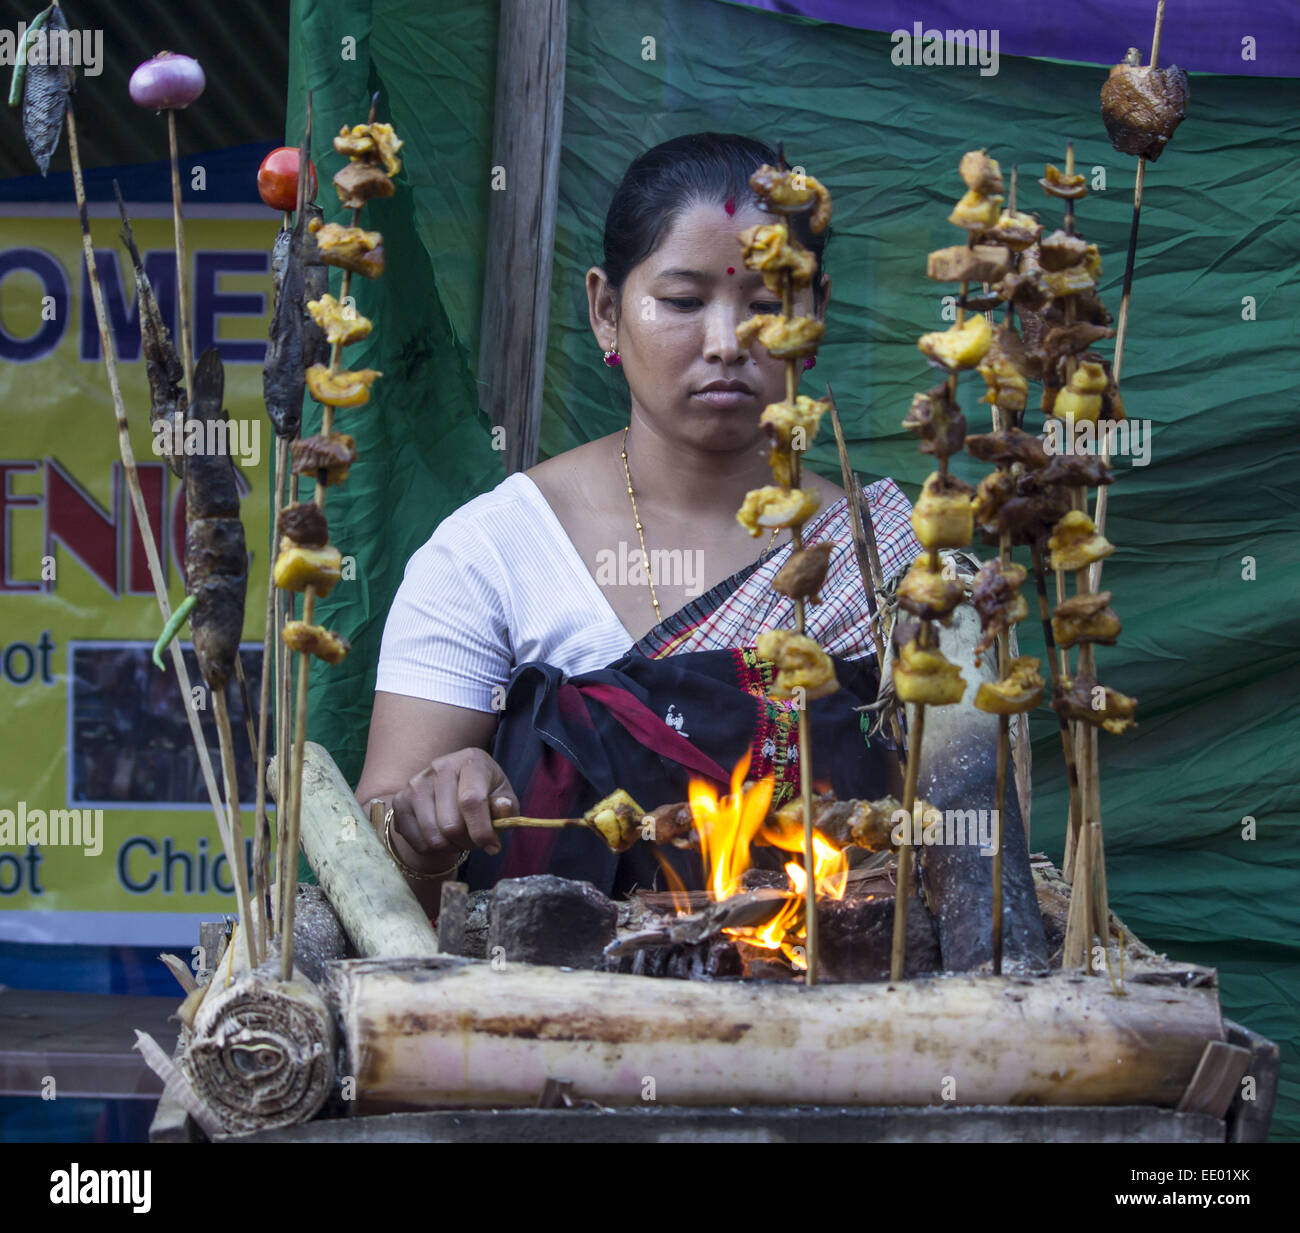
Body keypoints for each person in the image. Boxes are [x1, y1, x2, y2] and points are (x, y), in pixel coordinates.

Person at [354, 132, 922, 915]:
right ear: (604, 311)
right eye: (684, 302)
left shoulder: (888, 562)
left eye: (766, 303)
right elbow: (373, 854)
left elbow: (957, 850)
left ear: (814, 314)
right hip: (549, 1023)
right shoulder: (493, 552)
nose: (726, 344)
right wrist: (426, 821)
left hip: (835, 1022)